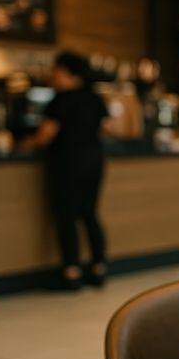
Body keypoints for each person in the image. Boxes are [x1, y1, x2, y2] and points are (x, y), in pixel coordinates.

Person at [22, 51, 109, 290]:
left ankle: (71, 272)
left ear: (71, 74)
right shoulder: (94, 98)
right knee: (90, 213)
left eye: (56, 71)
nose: (52, 76)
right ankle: (98, 267)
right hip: (94, 161)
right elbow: (106, 128)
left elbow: (45, 136)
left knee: (66, 216)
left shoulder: (59, 101)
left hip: (67, 163)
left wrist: (22, 144)